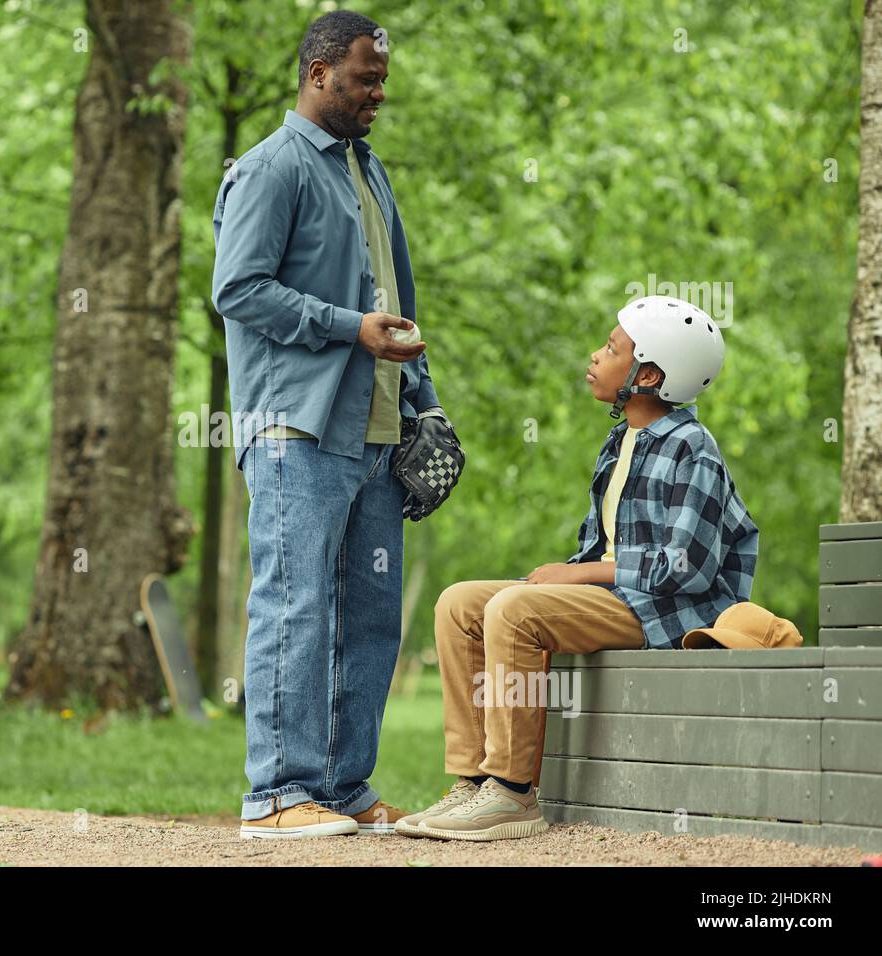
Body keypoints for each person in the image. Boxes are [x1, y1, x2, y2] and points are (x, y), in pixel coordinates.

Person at [400, 294, 759, 842]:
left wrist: (579, 576)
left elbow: (689, 569)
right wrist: (568, 573)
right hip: (619, 598)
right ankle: (472, 783)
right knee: (459, 603)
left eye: (612, 348)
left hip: (667, 612)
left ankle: (512, 793)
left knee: (515, 611)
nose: (595, 355)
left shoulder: (693, 448)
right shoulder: (621, 441)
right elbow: (601, 548)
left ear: (650, 374)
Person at [211, 10, 446, 838]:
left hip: (377, 430)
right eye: (365, 78)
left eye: (383, 78)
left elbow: (398, 308)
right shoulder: (270, 169)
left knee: (374, 615)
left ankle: (343, 788)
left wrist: (428, 406)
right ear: (318, 74)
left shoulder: (368, 170)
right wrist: (348, 327)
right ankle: (276, 793)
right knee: (297, 605)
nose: (379, 92)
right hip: (295, 429)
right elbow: (237, 289)